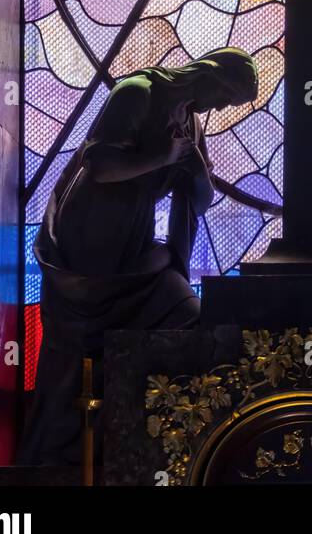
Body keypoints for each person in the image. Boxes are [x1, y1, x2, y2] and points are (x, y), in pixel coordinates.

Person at [19, 48, 257, 464]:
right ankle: (54, 458)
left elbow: (200, 200)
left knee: (188, 314)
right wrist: (162, 158)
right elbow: (99, 165)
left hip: (137, 244)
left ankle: (146, 446)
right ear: (210, 73)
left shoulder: (191, 124)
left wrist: (197, 168)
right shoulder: (137, 92)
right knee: (73, 352)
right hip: (91, 237)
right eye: (225, 95)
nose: (220, 106)